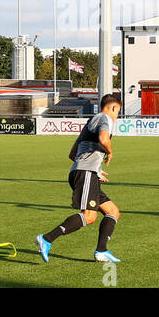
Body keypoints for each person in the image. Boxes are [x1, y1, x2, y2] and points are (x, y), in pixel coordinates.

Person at [35, 93, 122, 264]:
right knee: (89, 216)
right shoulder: (105, 118)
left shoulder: (91, 121)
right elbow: (104, 139)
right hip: (85, 173)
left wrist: (96, 170)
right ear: (113, 107)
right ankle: (46, 239)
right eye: (118, 111)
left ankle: (102, 251)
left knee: (113, 212)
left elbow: (72, 154)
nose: (117, 115)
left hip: (85, 172)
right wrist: (110, 152)